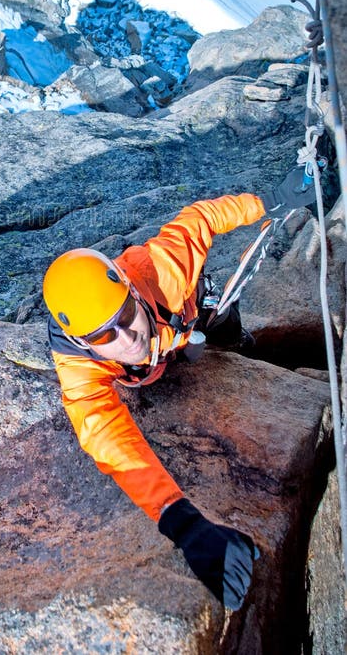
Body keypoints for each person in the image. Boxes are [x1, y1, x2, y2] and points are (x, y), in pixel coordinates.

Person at [42, 168, 316, 611]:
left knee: (222, 324)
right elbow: (108, 438)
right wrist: (182, 522)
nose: (128, 337)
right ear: (81, 342)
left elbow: (201, 217)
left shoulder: (162, 269)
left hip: (186, 317)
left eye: (128, 315)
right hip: (170, 342)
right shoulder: (78, 366)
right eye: (104, 336)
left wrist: (269, 202)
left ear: (130, 289)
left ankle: (230, 336)